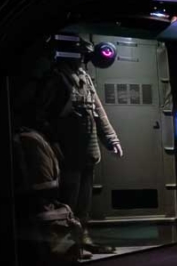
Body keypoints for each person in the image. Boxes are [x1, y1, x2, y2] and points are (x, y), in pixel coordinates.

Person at [45, 49, 121, 252]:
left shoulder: (85, 77)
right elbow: (43, 116)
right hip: (68, 148)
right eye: (79, 53)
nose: (83, 58)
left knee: (84, 202)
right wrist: (54, 145)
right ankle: (69, 244)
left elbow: (98, 111)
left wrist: (112, 139)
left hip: (88, 148)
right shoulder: (56, 78)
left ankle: (83, 237)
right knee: (69, 199)